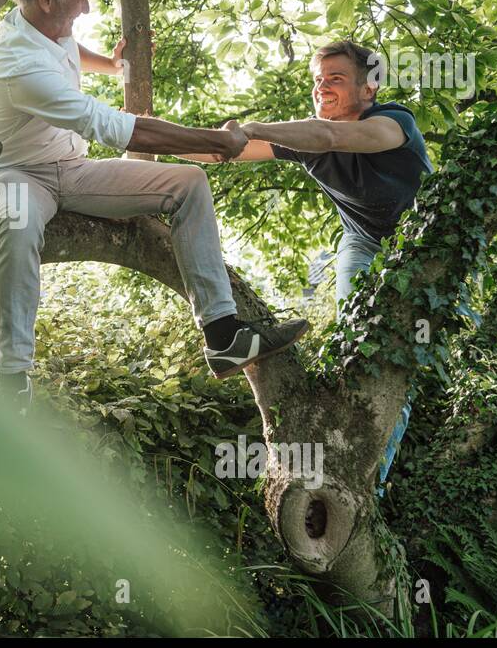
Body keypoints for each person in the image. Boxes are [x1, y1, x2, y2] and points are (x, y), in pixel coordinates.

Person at [0, 0, 308, 406]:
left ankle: (223, 336)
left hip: (71, 168)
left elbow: (69, 46)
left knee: (188, 183)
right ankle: (12, 378)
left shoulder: (41, 21)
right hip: (15, 174)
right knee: (19, 221)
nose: (88, 7)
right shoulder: (16, 64)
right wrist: (215, 141)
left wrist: (112, 65)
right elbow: (115, 128)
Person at [177, 40, 433, 491]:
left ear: (369, 86)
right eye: (317, 80)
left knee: (411, 360)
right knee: (363, 343)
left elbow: (332, 136)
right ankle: (357, 478)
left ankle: (374, 480)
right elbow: (218, 152)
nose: (321, 88)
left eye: (334, 79)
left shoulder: (394, 122)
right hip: (364, 243)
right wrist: (141, 138)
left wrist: (254, 125)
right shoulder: (305, 141)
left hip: (424, 247)